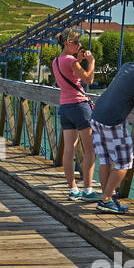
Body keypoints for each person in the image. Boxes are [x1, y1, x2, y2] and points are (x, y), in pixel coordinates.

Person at [89, 44, 134, 213]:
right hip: (112, 120)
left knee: (105, 160)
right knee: (124, 163)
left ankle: (106, 199)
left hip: (97, 115)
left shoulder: (127, 65)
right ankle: (106, 200)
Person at [51, 30, 99, 199]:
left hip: (65, 107)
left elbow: (69, 76)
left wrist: (78, 61)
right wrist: (91, 62)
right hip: (80, 107)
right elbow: (88, 79)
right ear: (67, 43)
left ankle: (73, 189)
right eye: (76, 42)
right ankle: (87, 190)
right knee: (89, 150)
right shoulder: (71, 61)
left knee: (69, 150)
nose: (79, 45)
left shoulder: (56, 61)